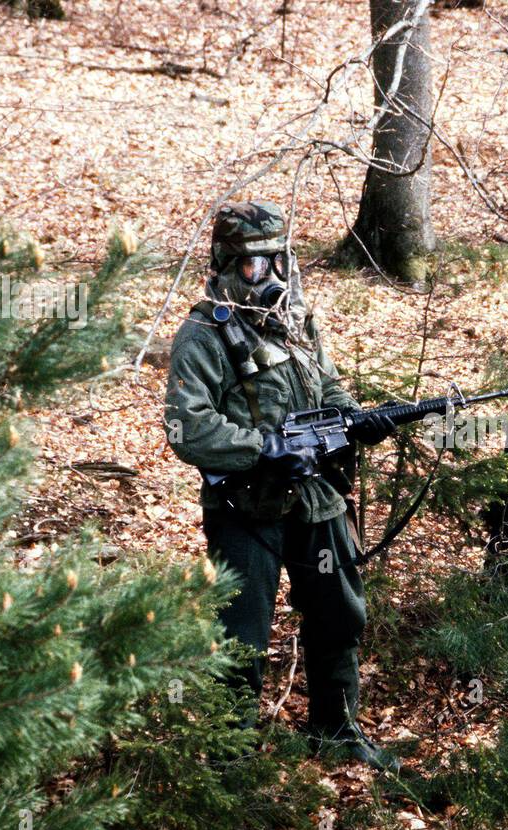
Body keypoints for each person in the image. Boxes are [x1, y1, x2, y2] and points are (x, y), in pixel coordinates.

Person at [164, 200, 399, 772]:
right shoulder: (203, 335)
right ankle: (230, 755)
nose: (262, 274)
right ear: (223, 263)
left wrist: (358, 421)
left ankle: (336, 732)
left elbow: (329, 389)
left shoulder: (298, 318)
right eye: (249, 264)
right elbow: (187, 427)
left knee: (338, 616)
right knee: (242, 633)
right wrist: (263, 449)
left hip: (315, 499)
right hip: (247, 509)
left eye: (273, 260)